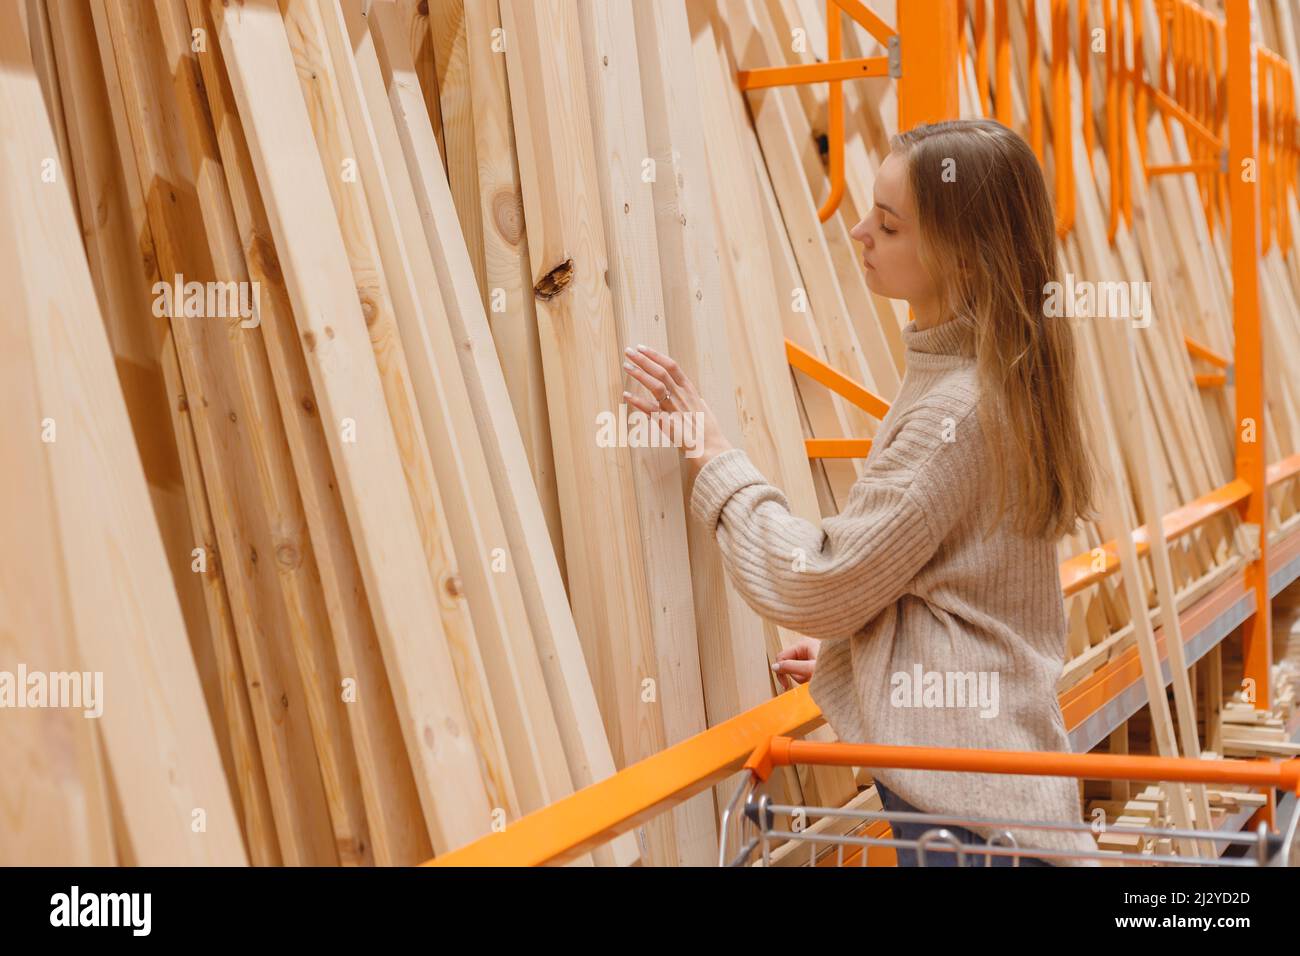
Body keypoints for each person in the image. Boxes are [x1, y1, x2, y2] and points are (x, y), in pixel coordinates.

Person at [622, 119, 1102, 867]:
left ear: (964, 257)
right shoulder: (990, 368)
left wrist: (711, 454)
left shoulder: (959, 410)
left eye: (887, 223)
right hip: (986, 781)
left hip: (970, 812)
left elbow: (818, 578)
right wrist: (877, 659)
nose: (855, 232)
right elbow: (956, 576)